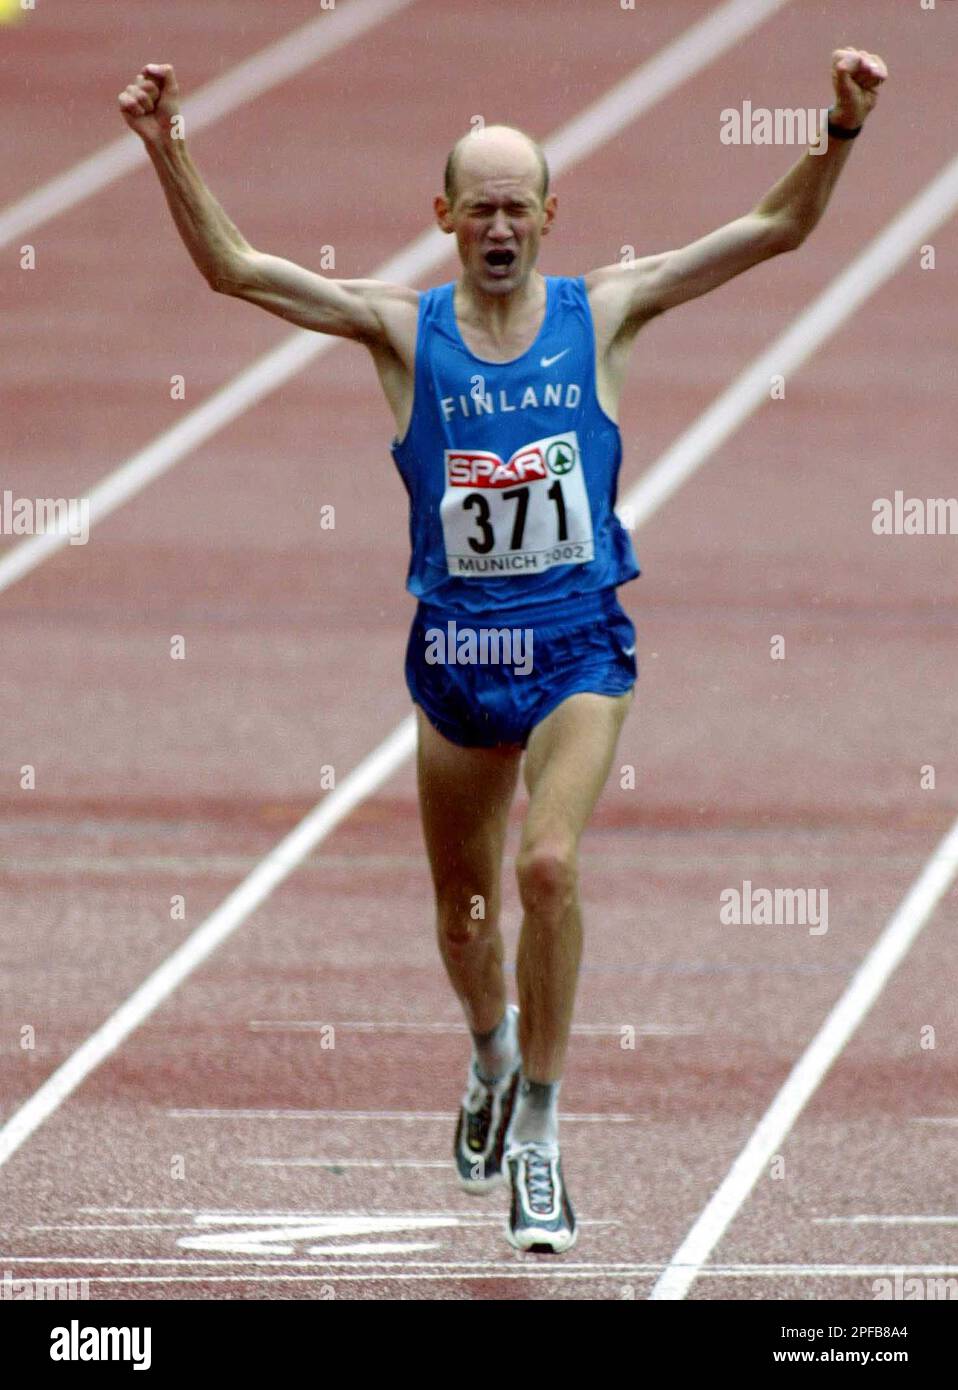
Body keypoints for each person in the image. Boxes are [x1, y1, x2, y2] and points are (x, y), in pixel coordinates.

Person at [119, 46, 886, 1254]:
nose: (497, 224)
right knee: (467, 912)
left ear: (547, 216)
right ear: (442, 218)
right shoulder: (397, 329)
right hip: (458, 655)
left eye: (516, 205)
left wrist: (836, 130)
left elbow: (772, 231)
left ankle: (538, 1124)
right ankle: (488, 1053)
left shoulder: (607, 309)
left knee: (545, 867)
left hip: (580, 640)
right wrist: (168, 146)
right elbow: (234, 270)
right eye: (475, 205)